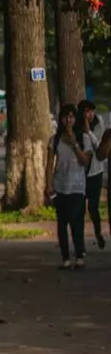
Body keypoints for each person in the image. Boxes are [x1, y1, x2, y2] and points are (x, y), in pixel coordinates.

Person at [45, 104, 95, 270]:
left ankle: (79, 255)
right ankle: (65, 258)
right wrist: (48, 186)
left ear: (76, 119)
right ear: (61, 119)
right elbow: (49, 164)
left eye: (72, 116)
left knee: (76, 222)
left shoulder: (84, 139)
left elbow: (85, 161)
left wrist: (74, 143)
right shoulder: (55, 139)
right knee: (62, 224)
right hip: (60, 186)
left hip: (77, 187)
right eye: (65, 117)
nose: (68, 120)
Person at [78, 100, 105, 250]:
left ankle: (98, 232)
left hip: (95, 172)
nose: (89, 115)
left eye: (91, 111)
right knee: (80, 209)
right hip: (80, 175)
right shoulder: (75, 127)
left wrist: (88, 132)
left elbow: (98, 148)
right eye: (86, 112)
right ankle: (80, 242)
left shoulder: (99, 124)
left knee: (93, 207)